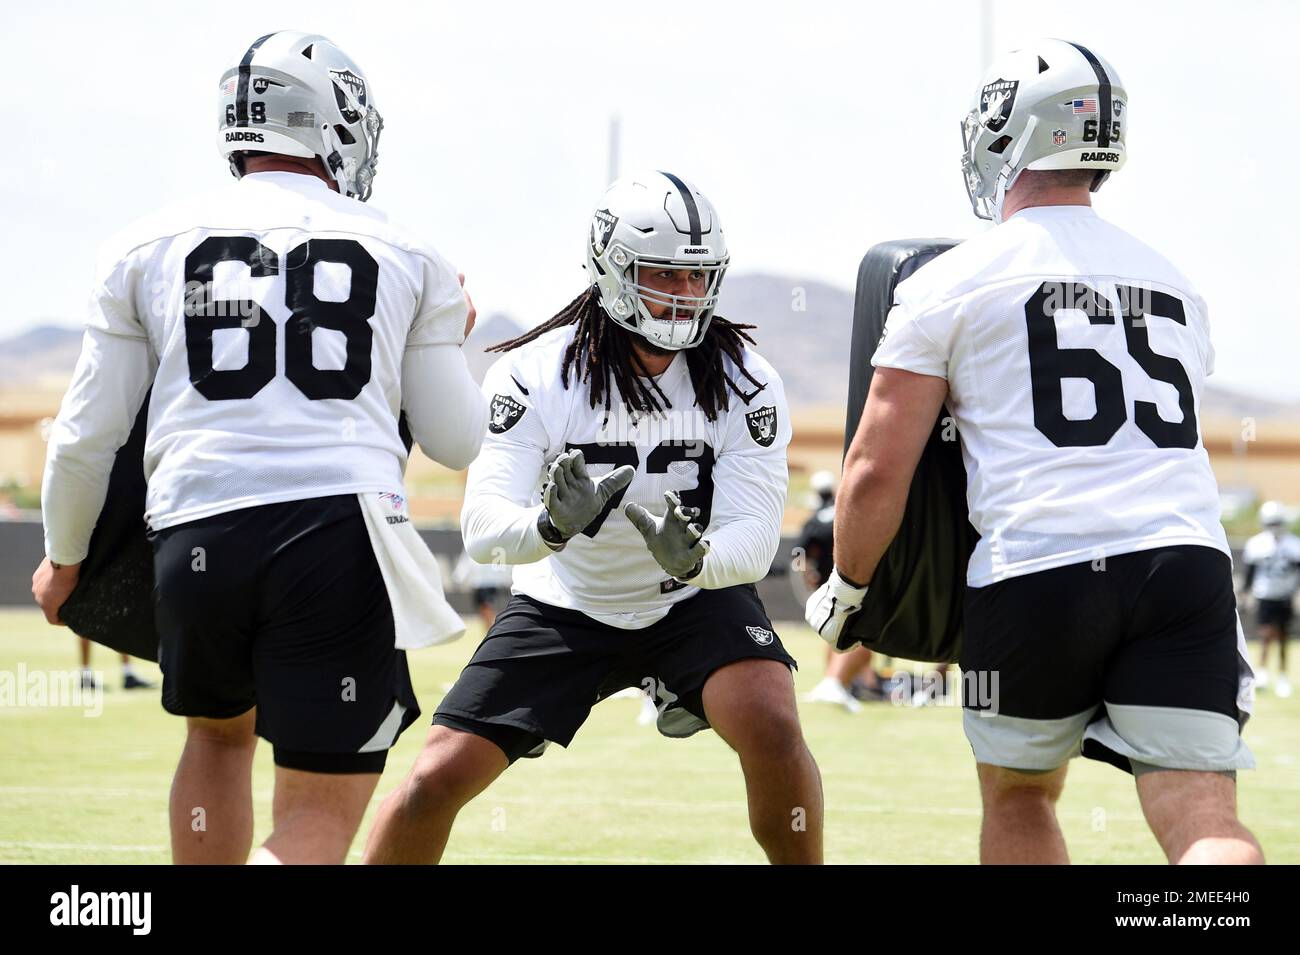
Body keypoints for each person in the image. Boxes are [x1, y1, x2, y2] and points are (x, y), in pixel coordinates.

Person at [33, 31, 487, 864]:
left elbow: (83, 438)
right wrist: (454, 334)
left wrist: (64, 557)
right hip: (338, 536)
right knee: (319, 802)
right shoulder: (409, 252)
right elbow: (458, 440)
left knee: (216, 738)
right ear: (334, 122)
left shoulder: (142, 245)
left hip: (196, 530)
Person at [808, 40, 1261, 864]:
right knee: (1203, 814)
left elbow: (878, 463)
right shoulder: (1173, 282)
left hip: (1039, 564)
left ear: (1014, 133)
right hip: (1185, 566)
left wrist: (850, 587)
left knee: (1020, 796)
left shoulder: (954, 278)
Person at [366, 171, 823, 865]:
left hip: (690, 598)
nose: (687, 295)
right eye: (666, 274)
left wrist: (697, 561)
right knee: (433, 781)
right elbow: (484, 527)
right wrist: (548, 528)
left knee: (772, 720)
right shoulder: (535, 372)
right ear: (612, 268)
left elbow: (754, 541)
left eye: (700, 278)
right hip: (566, 601)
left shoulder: (745, 378)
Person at [799, 471, 881, 711]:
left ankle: (840, 682)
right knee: (862, 636)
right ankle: (839, 683)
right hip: (858, 582)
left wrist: (808, 576)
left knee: (835, 633)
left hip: (829, 587)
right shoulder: (844, 511)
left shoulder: (813, 521)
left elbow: (800, 554)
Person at [1242, 501, 1300, 698]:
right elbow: (1250, 573)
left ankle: (1283, 676)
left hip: (1285, 596)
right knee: (1265, 634)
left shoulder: (1294, 544)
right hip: (1265, 595)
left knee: (1284, 637)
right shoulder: (1257, 544)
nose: (1274, 527)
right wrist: (1245, 593)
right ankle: (1263, 673)